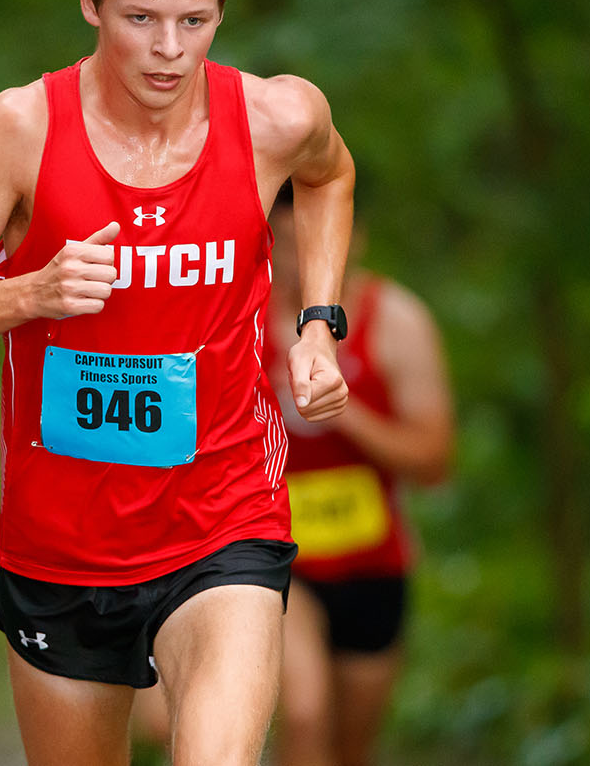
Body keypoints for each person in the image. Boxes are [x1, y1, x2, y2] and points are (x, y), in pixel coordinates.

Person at [0, 0, 356, 765]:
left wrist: (317, 323)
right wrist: (31, 291)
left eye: (195, 20)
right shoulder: (21, 129)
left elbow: (329, 176)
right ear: (89, 2)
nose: (169, 50)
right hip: (61, 544)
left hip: (225, 519)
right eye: (141, 17)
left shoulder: (275, 117)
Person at [132, 190, 455, 766]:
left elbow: (432, 461)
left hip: (371, 564)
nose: (306, 259)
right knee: (305, 713)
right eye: (289, 242)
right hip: (266, 552)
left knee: (349, 749)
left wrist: (343, 409)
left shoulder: (397, 321)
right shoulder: (233, 319)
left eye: (322, 237)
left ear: (353, 238)